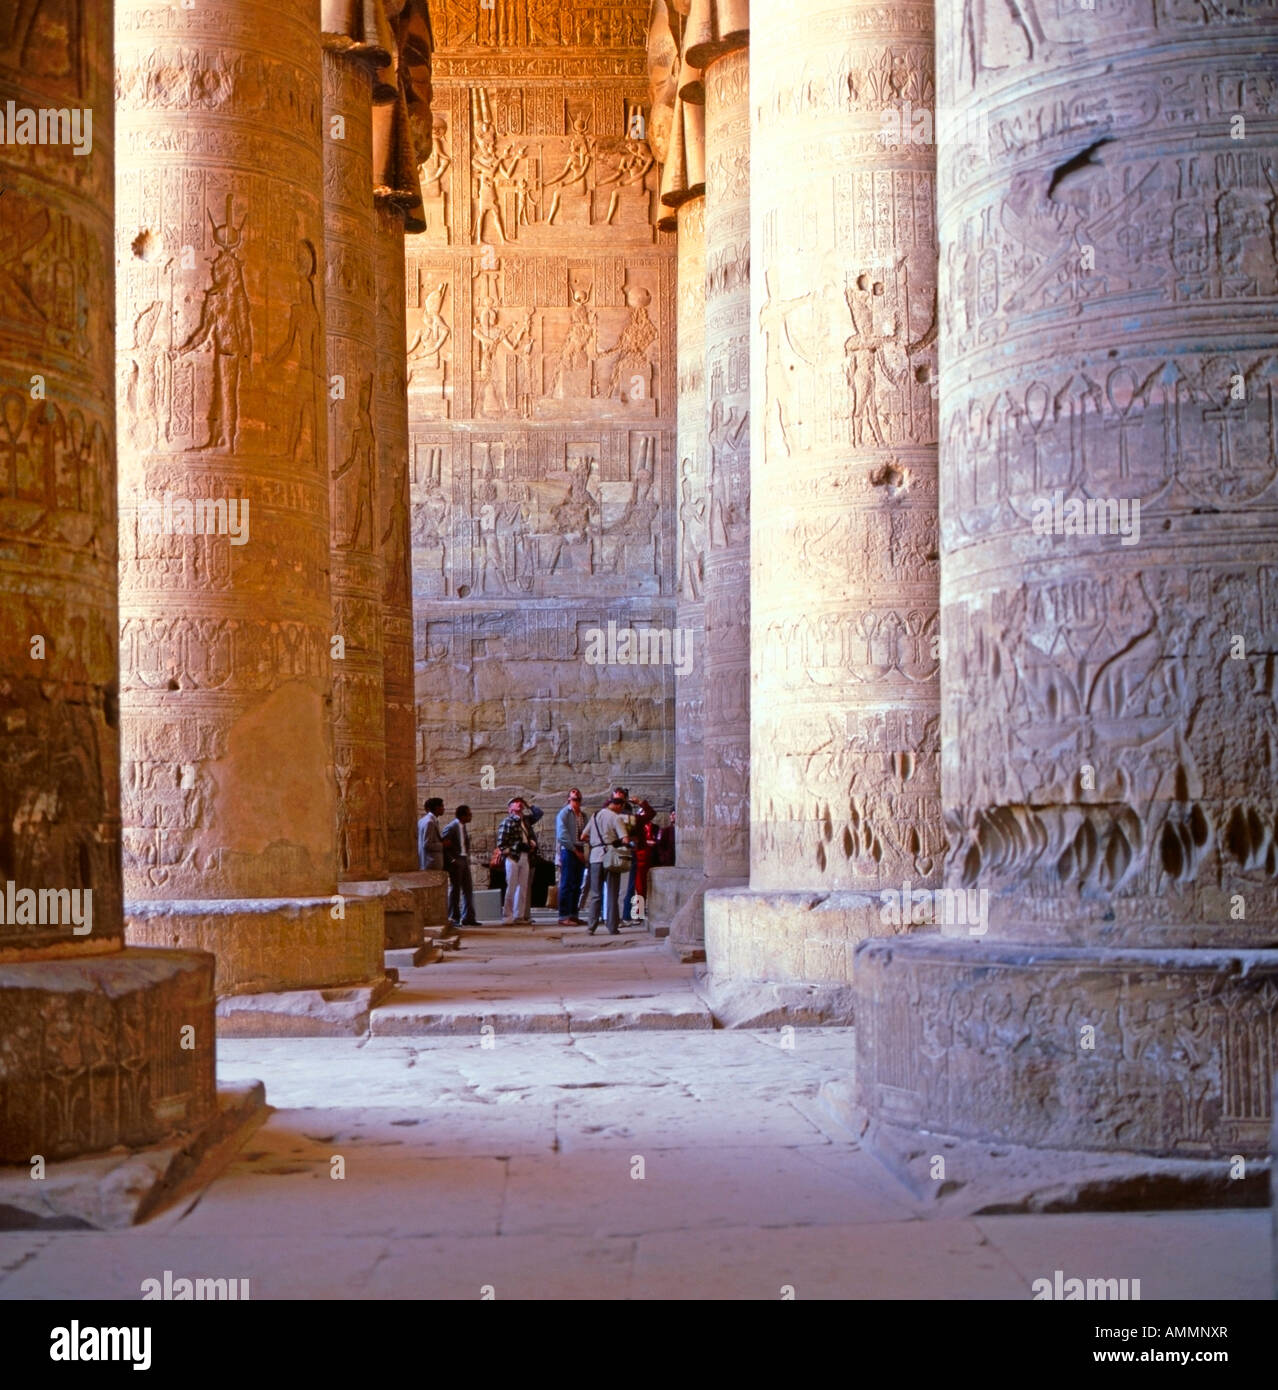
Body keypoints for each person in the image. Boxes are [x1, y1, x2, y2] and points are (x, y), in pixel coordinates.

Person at [580, 791, 633, 936]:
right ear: (618, 805)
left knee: (596, 894)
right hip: (611, 858)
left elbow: (583, 836)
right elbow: (625, 839)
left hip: (595, 857)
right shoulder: (616, 818)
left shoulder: (595, 815)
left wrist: (596, 842)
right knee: (612, 893)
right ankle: (612, 927)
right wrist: (613, 842)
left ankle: (591, 927)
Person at [497, 796, 538, 924]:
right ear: (510, 809)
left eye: (519, 802)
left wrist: (531, 843)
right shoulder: (507, 822)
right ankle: (507, 916)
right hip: (513, 857)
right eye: (514, 802)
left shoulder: (525, 821)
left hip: (525, 856)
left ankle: (518, 916)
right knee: (512, 887)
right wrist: (516, 847)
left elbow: (538, 813)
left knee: (523, 887)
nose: (518, 803)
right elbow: (501, 844)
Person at [441, 805, 479, 927]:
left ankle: (469, 917)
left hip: (463, 859)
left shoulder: (463, 827)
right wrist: (452, 860)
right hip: (456, 862)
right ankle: (454, 917)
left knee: (468, 889)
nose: (471, 816)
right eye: (469, 814)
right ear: (463, 816)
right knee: (455, 890)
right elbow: (444, 846)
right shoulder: (451, 827)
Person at [555, 788, 588, 925]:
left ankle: (574, 914)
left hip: (580, 847)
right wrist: (575, 851)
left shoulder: (583, 815)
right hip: (569, 849)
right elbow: (562, 835)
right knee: (567, 883)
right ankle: (564, 915)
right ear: (569, 799)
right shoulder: (564, 814)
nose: (577, 802)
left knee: (577, 884)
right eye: (574, 799)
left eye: (579, 799)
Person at [417, 797, 445, 870]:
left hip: (425, 861)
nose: (443, 808)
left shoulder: (422, 820)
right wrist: (443, 845)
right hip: (431, 862)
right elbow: (427, 845)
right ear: (437, 807)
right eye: (442, 806)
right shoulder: (430, 822)